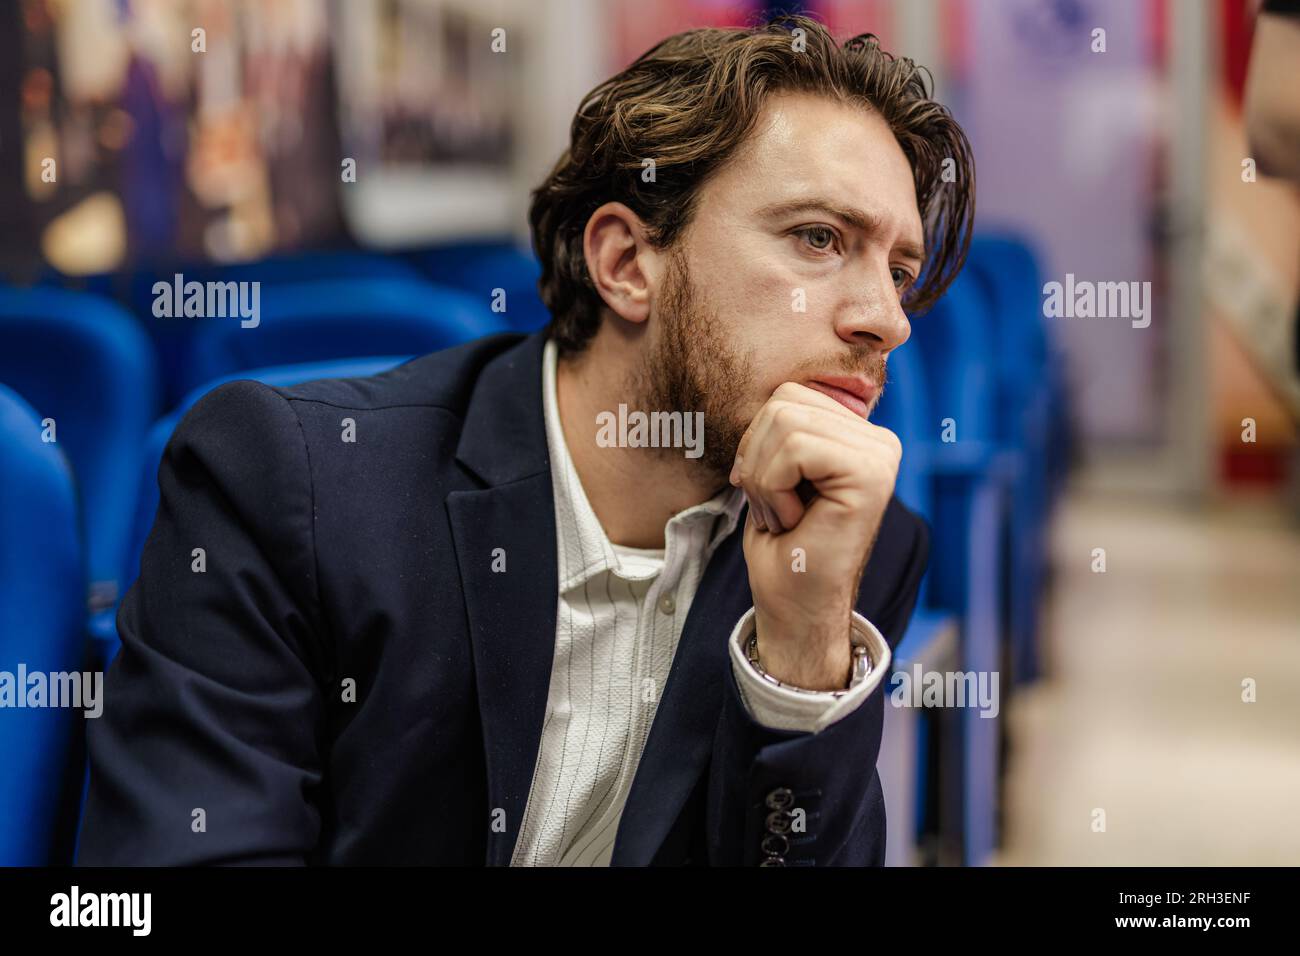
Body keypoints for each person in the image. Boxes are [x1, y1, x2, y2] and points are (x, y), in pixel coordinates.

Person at [77, 14, 974, 866]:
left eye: (899, 271)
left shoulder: (860, 546)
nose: (887, 320)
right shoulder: (288, 484)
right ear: (626, 264)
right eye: (819, 238)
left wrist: (805, 656)